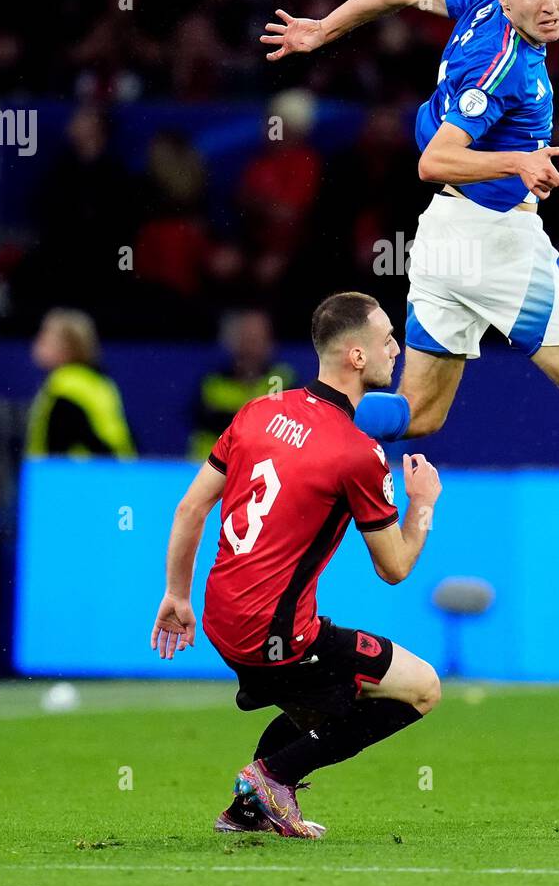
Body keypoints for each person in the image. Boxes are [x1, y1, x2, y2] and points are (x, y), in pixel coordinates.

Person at [260, 0, 559, 617]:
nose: (549, 3)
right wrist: (517, 161)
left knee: (417, 414)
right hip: (493, 240)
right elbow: (436, 159)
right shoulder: (502, 66)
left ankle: (289, 429)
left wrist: (322, 31)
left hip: (442, 239)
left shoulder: (475, 2)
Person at [151, 291, 442, 839]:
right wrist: (423, 503)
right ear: (356, 357)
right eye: (386, 340)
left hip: (220, 619)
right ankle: (269, 780)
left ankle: (247, 810)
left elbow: (191, 507)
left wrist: (176, 595)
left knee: (320, 707)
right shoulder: (357, 452)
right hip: (277, 632)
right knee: (422, 688)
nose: (396, 349)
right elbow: (395, 567)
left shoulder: (258, 412)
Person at [26, 309, 135, 458]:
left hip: (80, 478)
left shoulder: (66, 385)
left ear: (67, 347)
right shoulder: (97, 381)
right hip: (110, 476)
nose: (37, 343)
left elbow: (58, 449)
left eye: (45, 338)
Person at [188, 309, 295, 460]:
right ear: (233, 342)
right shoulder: (213, 382)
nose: (250, 347)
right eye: (246, 339)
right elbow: (207, 422)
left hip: (264, 469)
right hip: (212, 468)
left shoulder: (281, 379)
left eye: (257, 339)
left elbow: (280, 424)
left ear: (269, 343)